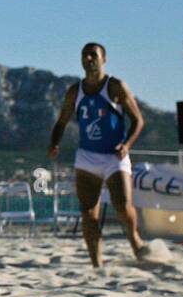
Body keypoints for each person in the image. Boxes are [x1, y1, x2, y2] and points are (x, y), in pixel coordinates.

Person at [48, 41, 147, 268]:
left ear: (104, 59)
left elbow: (138, 120)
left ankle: (134, 240)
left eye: (93, 55)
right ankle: (96, 264)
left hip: (114, 156)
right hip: (87, 157)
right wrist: (55, 143)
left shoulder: (115, 86)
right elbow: (62, 121)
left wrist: (126, 145)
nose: (88, 59)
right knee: (88, 212)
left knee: (122, 204)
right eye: (85, 55)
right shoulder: (75, 91)